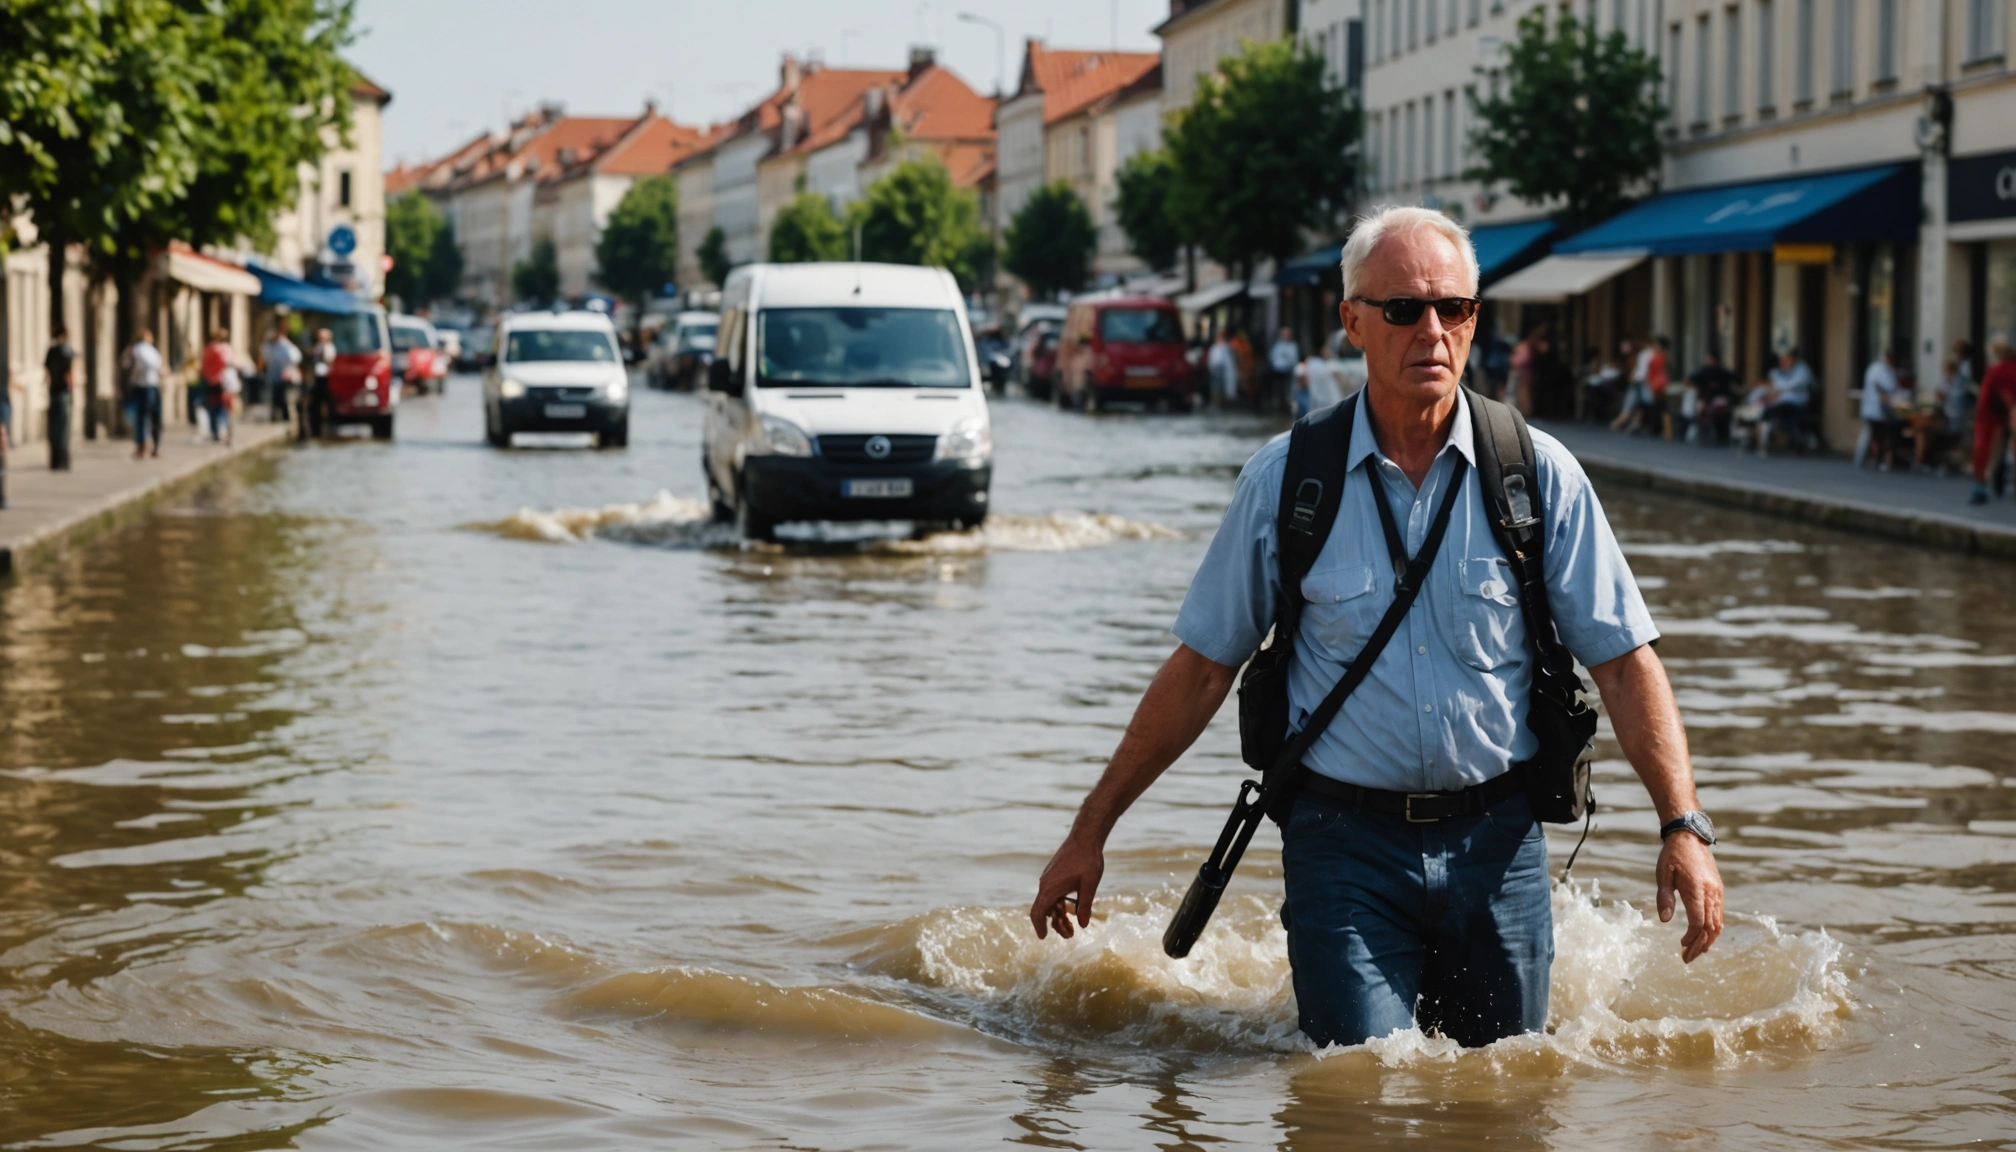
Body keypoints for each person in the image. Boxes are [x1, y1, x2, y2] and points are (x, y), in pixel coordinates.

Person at [1029, 206, 1724, 1049]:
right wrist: (1088, 831)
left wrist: (1682, 825)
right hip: (1343, 848)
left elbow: (1623, 662)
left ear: (1475, 319)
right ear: (1352, 321)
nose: (1431, 330)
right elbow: (1202, 669)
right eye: (1402, 310)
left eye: (1453, 308)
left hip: (1499, 847)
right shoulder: (1288, 483)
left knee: (1505, 1100)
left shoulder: (1538, 477)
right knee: (1359, 1089)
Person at [1970, 341, 2016, 505]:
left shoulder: (1997, 370)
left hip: (1991, 419)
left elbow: (2005, 395)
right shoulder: (2007, 370)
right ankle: (1993, 485)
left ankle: (1983, 486)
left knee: (1988, 453)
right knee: (1999, 453)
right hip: (2001, 418)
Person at [1855, 345, 1901, 471]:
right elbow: (1889, 388)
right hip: (1877, 410)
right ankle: (1877, 460)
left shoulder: (1873, 368)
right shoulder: (1884, 371)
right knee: (1878, 437)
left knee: (1869, 435)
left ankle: (1861, 461)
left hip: (1869, 408)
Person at [1762, 348, 1816, 456]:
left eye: (1787, 359)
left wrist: (1779, 390)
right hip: (1782, 403)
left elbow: (1791, 385)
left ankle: (1800, 441)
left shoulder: (1801, 369)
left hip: (1799, 402)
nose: (1784, 361)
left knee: (1785, 416)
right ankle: (1770, 440)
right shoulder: (1778, 371)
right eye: (1782, 359)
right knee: (1773, 414)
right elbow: (1775, 386)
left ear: (1793, 359)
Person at [121, 329, 164, 460]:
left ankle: (144, 446)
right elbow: (156, 365)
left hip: (144, 386)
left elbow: (124, 363)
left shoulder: (138, 349)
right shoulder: (142, 349)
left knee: (143, 418)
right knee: (151, 418)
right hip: (147, 386)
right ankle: (150, 446)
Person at [1684, 350, 1737, 446]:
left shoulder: (1721, 372)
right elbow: (1692, 379)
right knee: (1700, 411)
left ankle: (1720, 435)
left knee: (1720, 413)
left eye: (1710, 359)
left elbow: (1731, 381)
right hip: (1706, 399)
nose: (1708, 361)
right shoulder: (1704, 371)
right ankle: (1704, 433)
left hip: (1718, 399)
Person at [43, 326, 77, 471]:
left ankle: (54, 461)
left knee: (53, 429)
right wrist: (72, 392)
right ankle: (63, 461)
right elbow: (69, 375)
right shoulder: (67, 351)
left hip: (53, 392)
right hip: (63, 393)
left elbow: (47, 373)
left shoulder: (51, 351)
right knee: (63, 429)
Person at [262, 324, 301, 424]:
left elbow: (294, 358)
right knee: (273, 397)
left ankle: (285, 417)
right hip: (273, 374)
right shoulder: (268, 346)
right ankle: (274, 417)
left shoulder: (284, 345)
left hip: (285, 375)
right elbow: (266, 358)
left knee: (283, 397)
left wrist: (288, 371)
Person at [305, 327, 337, 438]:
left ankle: (328, 426)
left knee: (326, 402)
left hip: (326, 379)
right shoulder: (317, 346)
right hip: (317, 378)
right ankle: (315, 428)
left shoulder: (329, 347)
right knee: (314, 404)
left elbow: (328, 358)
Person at [1267, 327, 1301, 415]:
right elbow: (1273, 357)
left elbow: (1293, 359)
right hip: (1277, 371)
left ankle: (1286, 406)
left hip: (1287, 371)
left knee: (1287, 389)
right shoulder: (1278, 345)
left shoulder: (1292, 345)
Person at [1207, 330, 1239, 409]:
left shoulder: (1227, 347)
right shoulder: (1214, 348)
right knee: (1216, 388)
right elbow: (1212, 360)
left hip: (1225, 371)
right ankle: (1216, 404)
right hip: (1216, 371)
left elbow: (1230, 360)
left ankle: (1224, 404)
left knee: (1225, 388)